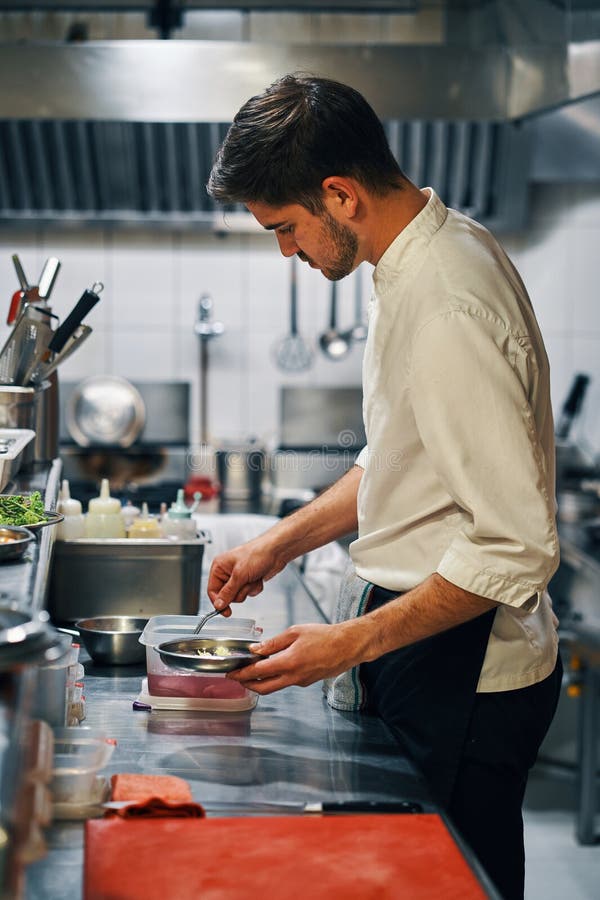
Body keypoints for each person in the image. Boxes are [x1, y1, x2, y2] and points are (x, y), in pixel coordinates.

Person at [206, 74, 562, 900]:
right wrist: (278, 541)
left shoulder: (446, 304)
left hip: (465, 669)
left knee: (449, 888)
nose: (286, 252)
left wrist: (349, 643)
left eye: (286, 229)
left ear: (341, 194)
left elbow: (514, 544)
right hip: (427, 645)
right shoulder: (421, 254)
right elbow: (400, 453)